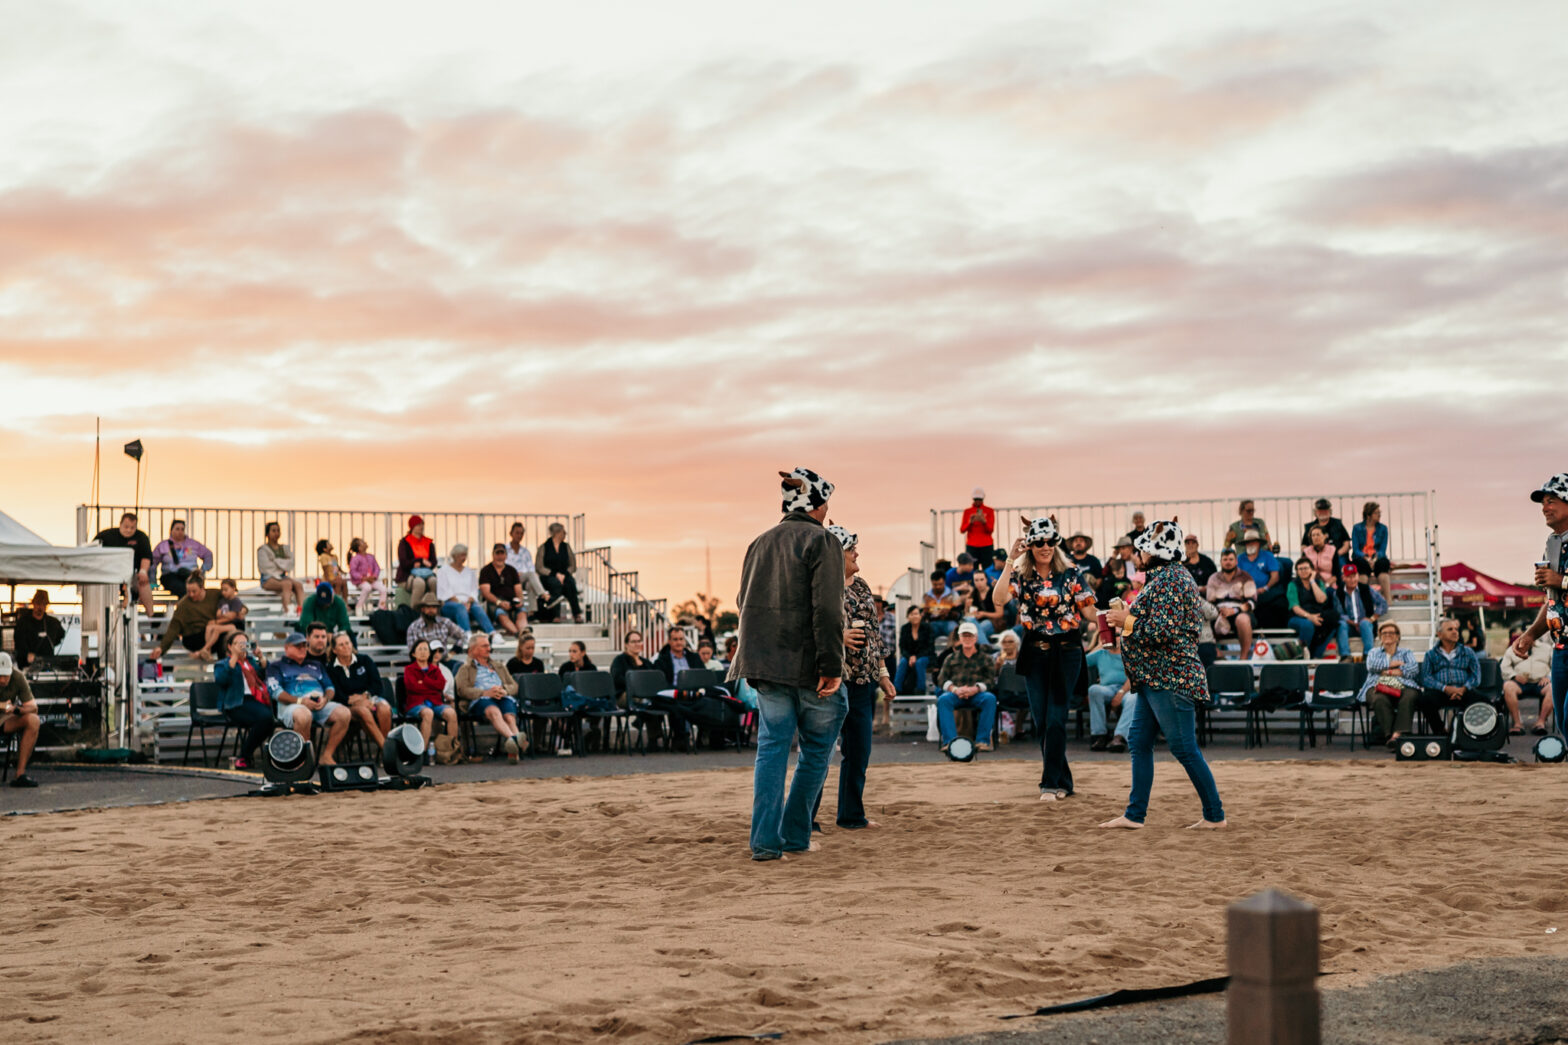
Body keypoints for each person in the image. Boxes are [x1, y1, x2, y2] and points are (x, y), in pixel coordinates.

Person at [730, 467, 846, 862]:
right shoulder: (823, 541)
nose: (829, 510)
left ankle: (764, 843)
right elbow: (828, 610)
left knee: (771, 749)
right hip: (809, 666)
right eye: (827, 502)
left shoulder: (759, 542)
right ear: (818, 504)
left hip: (763, 662)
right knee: (816, 751)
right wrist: (832, 666)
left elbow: (741, 602)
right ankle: (795, 836)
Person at [1101, 520, 1227, 830]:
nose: (1136, 555)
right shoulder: (1165, 578)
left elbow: (1163, 631)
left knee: (1184, 748)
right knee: (1139, 742)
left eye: (1140, 549)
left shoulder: (1171, 579)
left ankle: (1214, 816)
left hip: (1169, 677)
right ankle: (1134, 815)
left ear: (1153, 552)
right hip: (1155, 677)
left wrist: (1126, 621)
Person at [993, 516, 1097, 802]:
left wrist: (1116, 617)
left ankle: (1049, 783)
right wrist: (1009, 561)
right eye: (1038, 542)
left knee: (1056, 719)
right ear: (1030, 545)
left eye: (1049, 541)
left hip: (1067, 652)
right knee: (1042, 721)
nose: (1044, 547)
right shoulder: (1021, 575)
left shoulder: (1071, 574)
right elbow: (999, 600)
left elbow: (1089, 611)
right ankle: (1064, 780)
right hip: (1035, 651)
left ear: (1056, 543)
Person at [815, 524, 895, 829]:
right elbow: (811, 628)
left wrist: (883, 675)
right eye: (851, 549)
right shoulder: (821, 587)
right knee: (820, 753)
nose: (856, 553)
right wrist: (839, 637)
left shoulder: (861, 586)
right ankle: (805, 818)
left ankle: (851, 815)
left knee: (859, 752)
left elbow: (874, 636)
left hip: (864, 681)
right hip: (832, 680)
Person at [1514, 475, 1568, 742]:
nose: (1545, 507)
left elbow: (1560, 585)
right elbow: (1553, 602)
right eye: (1543, 503)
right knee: (1563, 723)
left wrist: (1561, 580)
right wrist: (1531, 635)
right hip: (1561, 647)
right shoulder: (1552, 543)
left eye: (1552, 500)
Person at [266, 631, 350, 764]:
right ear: (287, 648)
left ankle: (326, 756)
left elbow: (330, 688)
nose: (302, 649)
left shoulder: (316, 665)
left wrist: (325, 699)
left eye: (304, 646)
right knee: (304, 715)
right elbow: (275, 692)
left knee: (344, 713)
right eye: (297, 646)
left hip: (318, 705)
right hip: (292, 706)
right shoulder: (276, 666)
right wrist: (300, 701)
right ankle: (303, 760)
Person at [456, 634, 525, 763]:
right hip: (482, 699)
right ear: (473, 650)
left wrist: (504, 690)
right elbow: (462, 690)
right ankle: (515, 740)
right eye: (484, 646)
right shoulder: (465, 669)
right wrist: (485, 693)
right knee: (493, 712)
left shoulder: (498, 666)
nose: (489, 649)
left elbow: (514, 686)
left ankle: (513, 750)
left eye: (489, 645)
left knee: (509, 717)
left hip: (502, 696)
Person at [212, 632, 274, 770]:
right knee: (265, 718)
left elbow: (266, 674)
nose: (242, 647)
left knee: (270, 720)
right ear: (229, 646)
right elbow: (221, 680)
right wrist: (234, 657)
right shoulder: (223, 664)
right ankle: (244, 756)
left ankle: (246, 756)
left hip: (255, 700)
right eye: (238, 644)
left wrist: (261, 657)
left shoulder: (251, 662)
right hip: (235, 703)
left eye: (244, 644)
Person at [935, 622, 998, 754]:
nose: (967, 639)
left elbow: (991, 680)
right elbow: (941, 679)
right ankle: (950, 742)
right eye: (964, 636)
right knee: (943, 700)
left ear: (976, 638)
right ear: (960, 638)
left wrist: (975, 689)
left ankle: (982, 741)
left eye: (970, 636)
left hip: (977, 694)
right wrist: (955, 689)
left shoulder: (985, 659)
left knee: (990, 699)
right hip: (956, 694)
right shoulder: (950, 658)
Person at [326, 631, 391, 751]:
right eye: (341, 645)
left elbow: (377, 684)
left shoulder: (365, 660)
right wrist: (354, 701)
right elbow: (337, 694)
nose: (346, 647)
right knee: (363, 711)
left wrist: (365, 696)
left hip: (369, 698)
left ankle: (384, 747)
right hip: (347, 704)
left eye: (348, 643)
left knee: (385, 708)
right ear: (334, 650)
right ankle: (387, 750)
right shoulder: (330, 668)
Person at [1417, 618, 1483, 734]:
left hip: (1464, 690)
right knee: (1425, 700)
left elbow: (1476, 675)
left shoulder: (1468, 652)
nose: (1455, 632)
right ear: (1440, 634)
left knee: (1483, 701)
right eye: (1450, 629)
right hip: (1440, 692)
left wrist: (1463, 689)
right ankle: (1441, 732)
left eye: (1456, 629)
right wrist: (1445, 688)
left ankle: (1467, 734)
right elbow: (1426, 678)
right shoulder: (1431, 654)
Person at [1361, 621, 1421, 747]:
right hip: (1376, 685)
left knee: (1410, 696)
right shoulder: (1373, 652)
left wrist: (1386, 672)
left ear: (1398, 636)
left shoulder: (1406, 652)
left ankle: (1397, 734)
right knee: (1379, 699)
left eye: (1391, 633)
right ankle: (1390, 735)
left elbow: (1413, 669)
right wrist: (1393, 667)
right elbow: (1371, 666)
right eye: (1384, 633)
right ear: (1380, 636)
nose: (1387, 635)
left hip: (1404, 685)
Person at [150, 574, 232, 662]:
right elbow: (173, 628)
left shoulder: (215, 594)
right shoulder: (183, 605)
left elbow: (233, 600)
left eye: (194, 591)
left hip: (211, 633)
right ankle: (218, 662)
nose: (191, 594)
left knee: (231, 632)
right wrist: (162, 648)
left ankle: (224, 664)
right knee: (221, 636)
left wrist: (242, 609)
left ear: (202, 588)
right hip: (193, 636)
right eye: (188, 591)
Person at [93, 511, 155, 616]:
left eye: (132, 527)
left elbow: (146, 557)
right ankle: (102, 615)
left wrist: (143, 571)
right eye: (126, 527)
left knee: (143, 582)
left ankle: (151, 616)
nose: (129, 530)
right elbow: (93, 551)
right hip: (110, 574)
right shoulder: (105, 535)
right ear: (120, 524)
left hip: (133, 575)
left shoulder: (142, 537)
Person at [403, 639, 460, 749]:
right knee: (428, 713)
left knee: (451, 713)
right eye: (420, 649)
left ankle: (452, 749)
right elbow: (413, 687)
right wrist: (432, 686)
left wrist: (424, 681)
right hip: (416, 704)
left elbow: (441, 685)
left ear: (429, 653)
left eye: (426, 649)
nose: (423, 652)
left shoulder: (435, 669)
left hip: (436, 703)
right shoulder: (409, 669)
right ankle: (422, 751)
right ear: (414, 654)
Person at [1500, 629, 1554, 736]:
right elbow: (1504, 667)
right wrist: (1514, 676)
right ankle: (1517, 724)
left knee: (1553, 688)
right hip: (1520, 684)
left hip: (1540, 683)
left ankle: (1540, 722)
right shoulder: (1513, 649)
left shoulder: (1547, 648)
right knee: (1507, 686)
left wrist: (1548, 677)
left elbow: (1556, 666)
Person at [0, 653, 42, 787]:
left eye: (5, 675)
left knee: (33, 720)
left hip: (5, 718)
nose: (2, 680)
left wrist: (15, 709)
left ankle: (20, 774)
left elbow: (33, 708)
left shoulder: (18, 677)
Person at [1286, 558, 1339, 657]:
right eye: (1300, 569)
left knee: (1334, 619)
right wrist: (1309, 616)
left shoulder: (1318, 583)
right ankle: (1303, 655)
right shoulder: (1293, 585)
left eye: (1306, 568)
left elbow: (1322, 599)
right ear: (1297, 571)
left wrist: (1312, 581)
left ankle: (1316, 655)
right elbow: (1295, 607)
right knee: (1308, 625)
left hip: (1317, 614)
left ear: (1312, 570)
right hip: (1298, 617)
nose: (1303, 571)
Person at [437, 544, 493, 634]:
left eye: (465, 555)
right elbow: (445, 591)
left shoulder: (469, 572)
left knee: (477, 608)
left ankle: (492, 633)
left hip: (468, 602)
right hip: (450, 604)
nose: (464, 558)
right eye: (461, 555)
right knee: (460, 608)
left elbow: (474, 590)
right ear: (454, 556)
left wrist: (469, 602)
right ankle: (466, 633)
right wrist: (461, 603)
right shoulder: (444, 571)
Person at [1336, 564, 1385, 659]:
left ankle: (1368, 655)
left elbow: (1383, 604)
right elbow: (1339, 613)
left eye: (1354, 576)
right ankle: (1345, 655)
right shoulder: (1338, 592)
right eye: (1348, 577)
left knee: (1364, 623)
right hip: (1349, 626)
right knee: (1341, 624)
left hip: (1366, 625)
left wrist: (1372, 618)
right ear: (1343, 578)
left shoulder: (1366, 589)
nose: (1352, 580)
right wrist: (1354, 624)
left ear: (1358, 576)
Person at [152, 520, 214, 595]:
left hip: (190, 575)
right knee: (183, 588)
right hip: (170, 576)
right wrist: (153, 581)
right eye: (177, 529)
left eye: (182, 529)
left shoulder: (193, 544)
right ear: (171, 530)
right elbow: (153, 562)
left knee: (194, 587)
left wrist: (203, 569)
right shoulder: (163, 545)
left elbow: (208, 554)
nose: (180, 532)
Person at [537, 523, 583, 623]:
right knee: (555, 584)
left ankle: (577, 614)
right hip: (548, 576)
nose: (565, 534)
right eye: (563, 532)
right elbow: (539, 567)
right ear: (557, 533)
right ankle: (555, 615)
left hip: (565, 575)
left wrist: (565, 574)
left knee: (570, 583)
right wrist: (555, 574)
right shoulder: (544, 547)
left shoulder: (566, 547)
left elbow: (573, 565)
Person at [1237, 530, 1285, 626]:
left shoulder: (1268, 556)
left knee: (1280, 601)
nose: (1250, 544)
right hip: (1246, 592)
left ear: (1259, 543)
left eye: (1253, 541)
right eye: (1248, 542)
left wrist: (1264, 588)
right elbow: (1236, 577)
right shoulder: (1239, 558)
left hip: (1265, 590)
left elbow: (1275, 576)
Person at [502, 522, 552, 615]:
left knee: (530, 583)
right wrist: (516, 574)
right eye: (517, 533)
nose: (519, 536)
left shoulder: (525, 552)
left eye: (521, 533)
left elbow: (531, 569)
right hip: (511, 579)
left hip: (524, 579)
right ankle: (544, 595)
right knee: (530, 575)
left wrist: (525, 574)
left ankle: (531, 613)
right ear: (511, 533)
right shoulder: (504, 550)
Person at [257, 521, 306, 616]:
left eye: (278, 531)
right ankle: (287, 610)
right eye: (273, 531)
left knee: (298, 585)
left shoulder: (284, 548)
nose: (276, 533)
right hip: (268, 579)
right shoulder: (263, 550)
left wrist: (275, 561)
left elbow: (291, 563)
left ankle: (302, 611)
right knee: (287, 584)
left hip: (282, 577)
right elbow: (265, 567)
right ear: (267, 533)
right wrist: (282, 563)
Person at [478, 543, 526, 636]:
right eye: (497, 553)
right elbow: (486, 593)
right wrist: (499, 602)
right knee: (500, 612)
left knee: (522, 612)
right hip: (495, 603)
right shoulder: (486, 570)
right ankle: (517, 634)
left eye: (502, 553)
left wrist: (520, 600)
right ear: (493, 555)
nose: (500, 556)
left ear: (506, 555)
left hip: (511, 602)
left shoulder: (512, 570)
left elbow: (518, 589)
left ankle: (524, 633)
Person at [1351, 502, 1394, 604]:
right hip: (1362, 558)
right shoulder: (1357, 528)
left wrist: (1374, 559)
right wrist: (1366, 558)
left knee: (1384, 565)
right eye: (1376, 513)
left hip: (1377, 557)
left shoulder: (1383, 528)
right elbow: (1355, 549)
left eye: (1379, 512)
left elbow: (1383, 549)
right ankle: (1362, 600)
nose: (1379, 515)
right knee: (1361, 567)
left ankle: (1387, 600)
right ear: (1368, 515)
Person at [11, 590, 65, 670]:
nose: (40, 607)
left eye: (43, 604)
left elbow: (60, 636)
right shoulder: (23, 622)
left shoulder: (53, 623)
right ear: (33, 604)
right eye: (38, 603)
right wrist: (26, 654)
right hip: (26, 665)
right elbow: (18, 641)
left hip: (47, 665)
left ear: (46, 606)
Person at [405, 593, 467, 658]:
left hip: (443, 659)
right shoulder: (413, 627)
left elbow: (463, 635)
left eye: (434, 607)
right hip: (424, 662)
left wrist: (454, 651)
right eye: (428, 607)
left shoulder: (445, 622)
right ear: (423, 609)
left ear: (437, 609)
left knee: (459, 665)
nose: (431, 610)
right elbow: (412, 651)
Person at [395, 516, 437, 606]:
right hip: (408, 576)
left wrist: (425, 564)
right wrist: (421, 561)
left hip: (426, 573)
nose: (421, 527)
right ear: (412, 527)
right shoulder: (404, 543)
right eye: (418, 525)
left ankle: (433, 609)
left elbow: (433, 561)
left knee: (434, 581)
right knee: (419, 583)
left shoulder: (428, 542)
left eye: (422, 524)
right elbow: (404, 563)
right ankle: (414, 611)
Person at [895, 606, 933, 695]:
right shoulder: (905, 628)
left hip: (925, 656)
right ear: (908, 617)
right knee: (903, 661)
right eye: (912, 614)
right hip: (909, 657)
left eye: (916, 614)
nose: (914, 616)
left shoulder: (927, 628)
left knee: (920, 662)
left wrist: (916, 657)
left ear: (920, 616)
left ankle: (920, 689)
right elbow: (902, 647)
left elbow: (929, 648)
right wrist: (910, 657)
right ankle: (897, 688)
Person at [610, 630, 652, 707]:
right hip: (626, 694)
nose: (637, 644)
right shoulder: (619, 660)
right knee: (646, 701)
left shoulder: (646, 662)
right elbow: (618, 679)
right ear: (626, 644)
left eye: (639, 641)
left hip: (646, 693)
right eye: (633, 642)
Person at [1301, 497, 1352, 561]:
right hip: (1315, 557)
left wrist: (1336, 554)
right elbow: (1304, 545)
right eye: (1320, 510)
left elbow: (1347, 543)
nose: (1323, 512)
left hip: (1337, 556)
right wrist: (1312, 555)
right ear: (1315, 512)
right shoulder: (1309, 527)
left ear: (1330, 511)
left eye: (1325, 510)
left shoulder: (1338, 524)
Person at [345, 538, 387, 614]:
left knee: (383, 589)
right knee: (367, 587)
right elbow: (353, 572)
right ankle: (359, 606)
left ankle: (381, 607)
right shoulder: (355, 559)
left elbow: (377, 567)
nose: (365, 542)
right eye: (362, 542)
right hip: (361, 582)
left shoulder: (371, 556)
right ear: (359, 548)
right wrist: (363, 578)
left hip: (372, 580)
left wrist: (374, 576)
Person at [922, 570, 963, 638]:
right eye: (935, 584)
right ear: (931, 583)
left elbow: (959, 613)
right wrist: (926, 612)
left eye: (940, 584)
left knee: (954, 630)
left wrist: (949, 613)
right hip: (933, 623)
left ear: (944, 582)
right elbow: (923, 615)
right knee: (926, 631)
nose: (938, 587)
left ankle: (953, 648)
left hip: (949, 621)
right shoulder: (926, 596)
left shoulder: (953, 594)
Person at [960, 488, 996, 565]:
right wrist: (970, 522)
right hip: (972, 545)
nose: (978, 501)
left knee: (988, 569)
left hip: (986, 544)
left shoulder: (989, 511)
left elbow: (990, 529)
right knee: (972, 568)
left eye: (979, 499)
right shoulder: (967, 511)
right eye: (976, 499)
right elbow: (962, 530)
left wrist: (984, 521)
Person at [968, 570, 1005, 645]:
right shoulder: (974, 593)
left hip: (992, 622)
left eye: (981, 579)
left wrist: (983, 614)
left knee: (978, 629)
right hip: (977, 621)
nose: (979, 583)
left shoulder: (993, 592)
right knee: (969, 622)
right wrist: (967, 606)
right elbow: (969, 613)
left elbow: (1000, 614)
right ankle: (986, 646)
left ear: (986, 580)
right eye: (976, 580)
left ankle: (987, 647)